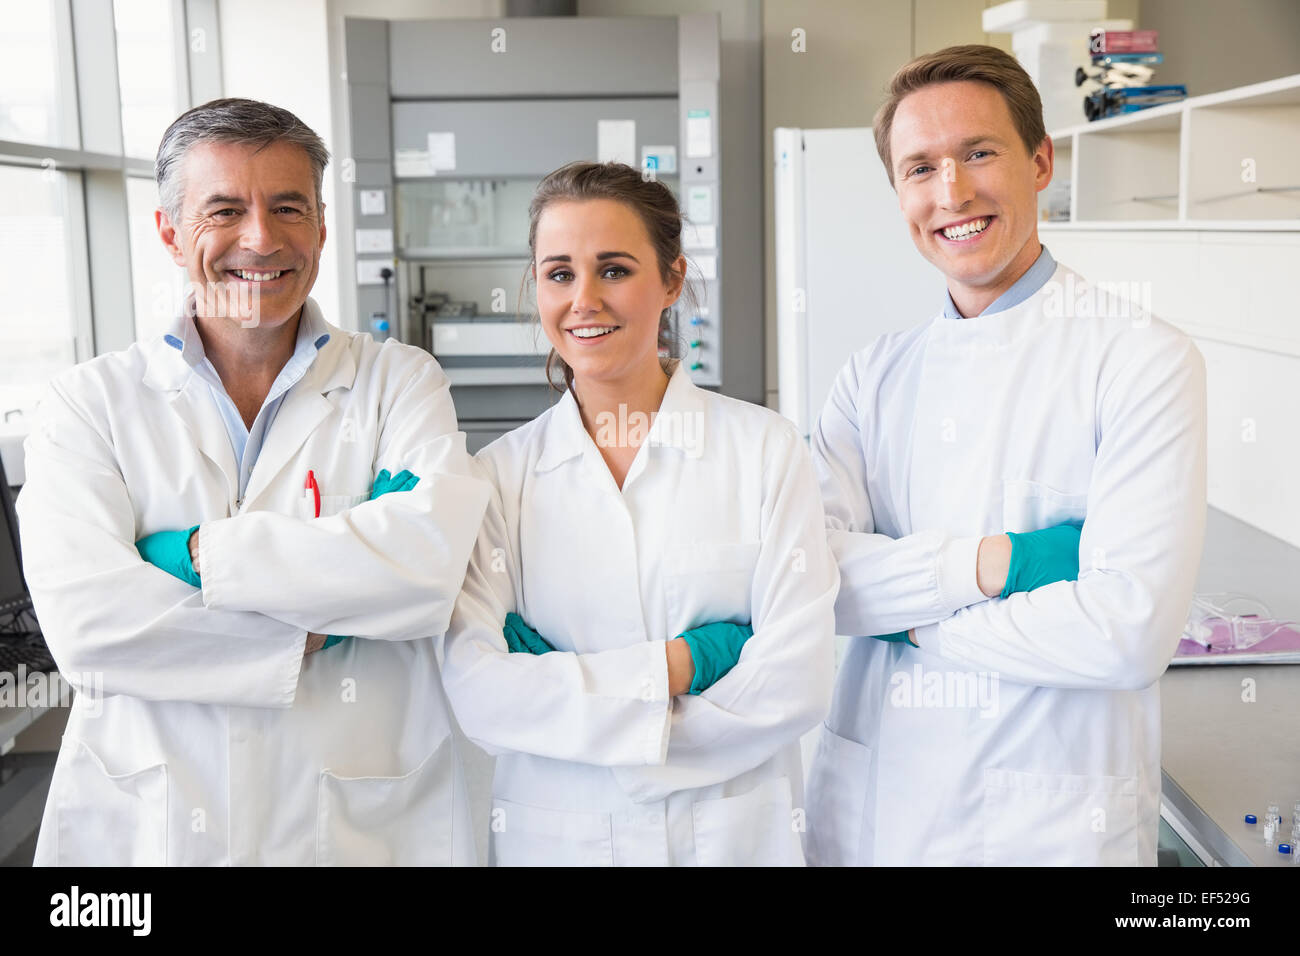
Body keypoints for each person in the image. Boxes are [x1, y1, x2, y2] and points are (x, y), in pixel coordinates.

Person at [16, 98, 490, 865]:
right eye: (225, 210)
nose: (261, 238)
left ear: (323, 227)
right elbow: (92, 630)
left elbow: (428, 570)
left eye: (288, 207)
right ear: (170, 231)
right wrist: (329, 617)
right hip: (152, 823)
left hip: (361, 821)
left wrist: (197, 555)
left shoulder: (399, 382)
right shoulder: (90, 403)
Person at [803, 46, 1207, 866]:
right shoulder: (870, 377)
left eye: (978, 153)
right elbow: (815, 583)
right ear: (899, 193)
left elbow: (1124, 634)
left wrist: (910, 626)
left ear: (1040, 161)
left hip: (1047, 827)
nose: (951, 192)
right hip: (879, 814)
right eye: (920, 168)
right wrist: (1008, 565)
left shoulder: (1141, 358)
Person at [439, 161, 837, 866]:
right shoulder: (496, 479)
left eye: (614, 269)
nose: (584, 299)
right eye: (559, 274)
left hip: (733, 838)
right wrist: (681, 666)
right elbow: (483, 698)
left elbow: (796, 684)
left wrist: (569, 702)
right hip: (558, 840)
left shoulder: (764, 451)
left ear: (673, 281)